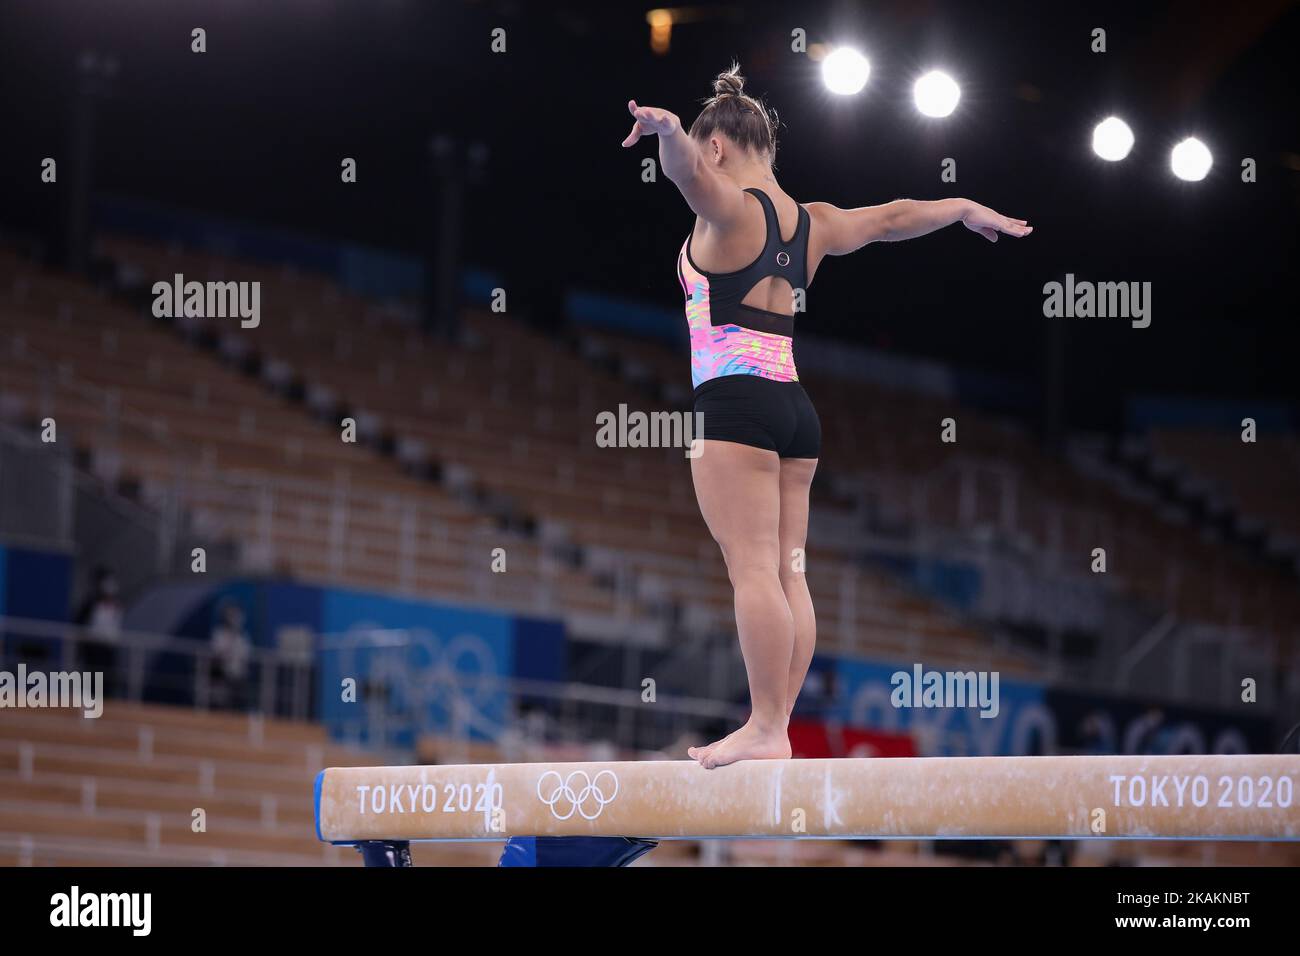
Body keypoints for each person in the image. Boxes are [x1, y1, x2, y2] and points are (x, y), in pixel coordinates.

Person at [621, 65, 1031, 768]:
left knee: (751, 569)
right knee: (789, 571)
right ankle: (775, 722)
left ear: (717, 145)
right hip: (794, 414)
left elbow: (686, 176)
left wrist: (665, 134)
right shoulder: (813, 223)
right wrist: (960, 205)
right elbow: (894, 217)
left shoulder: (725, 205)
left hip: (735, 405)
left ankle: (767, 726)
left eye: (699, 143)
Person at [210, 600, 253, 710]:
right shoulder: (219, 634)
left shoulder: (243, 638)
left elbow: (246, 657)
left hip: (238, 674)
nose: (234, 619)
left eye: (236, 615)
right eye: (231, 615)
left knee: (238, 696)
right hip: (222, 672)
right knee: (220, 698)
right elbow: (217, 653)